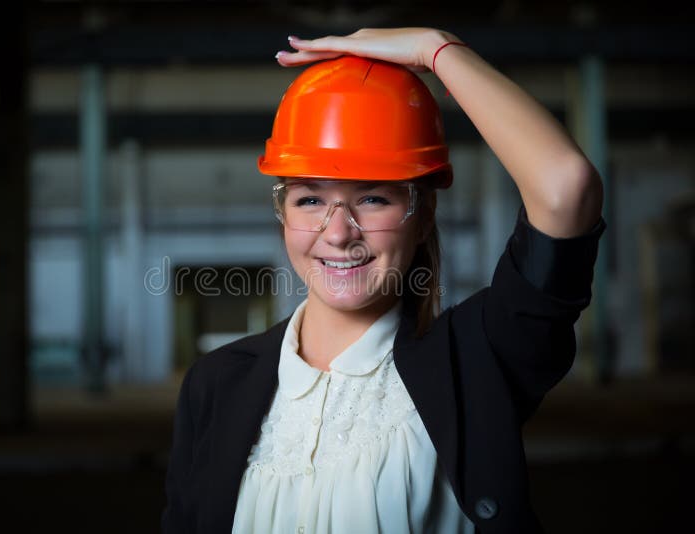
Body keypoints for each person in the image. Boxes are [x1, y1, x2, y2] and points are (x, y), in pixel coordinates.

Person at [162, 27, 606, 534]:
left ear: (423, 214)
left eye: (373, 198)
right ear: (282, 212)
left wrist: (434, 49)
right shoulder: (215, 385)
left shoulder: (476, 360)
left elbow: (566, 187)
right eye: (310, 199)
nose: (338, 233)